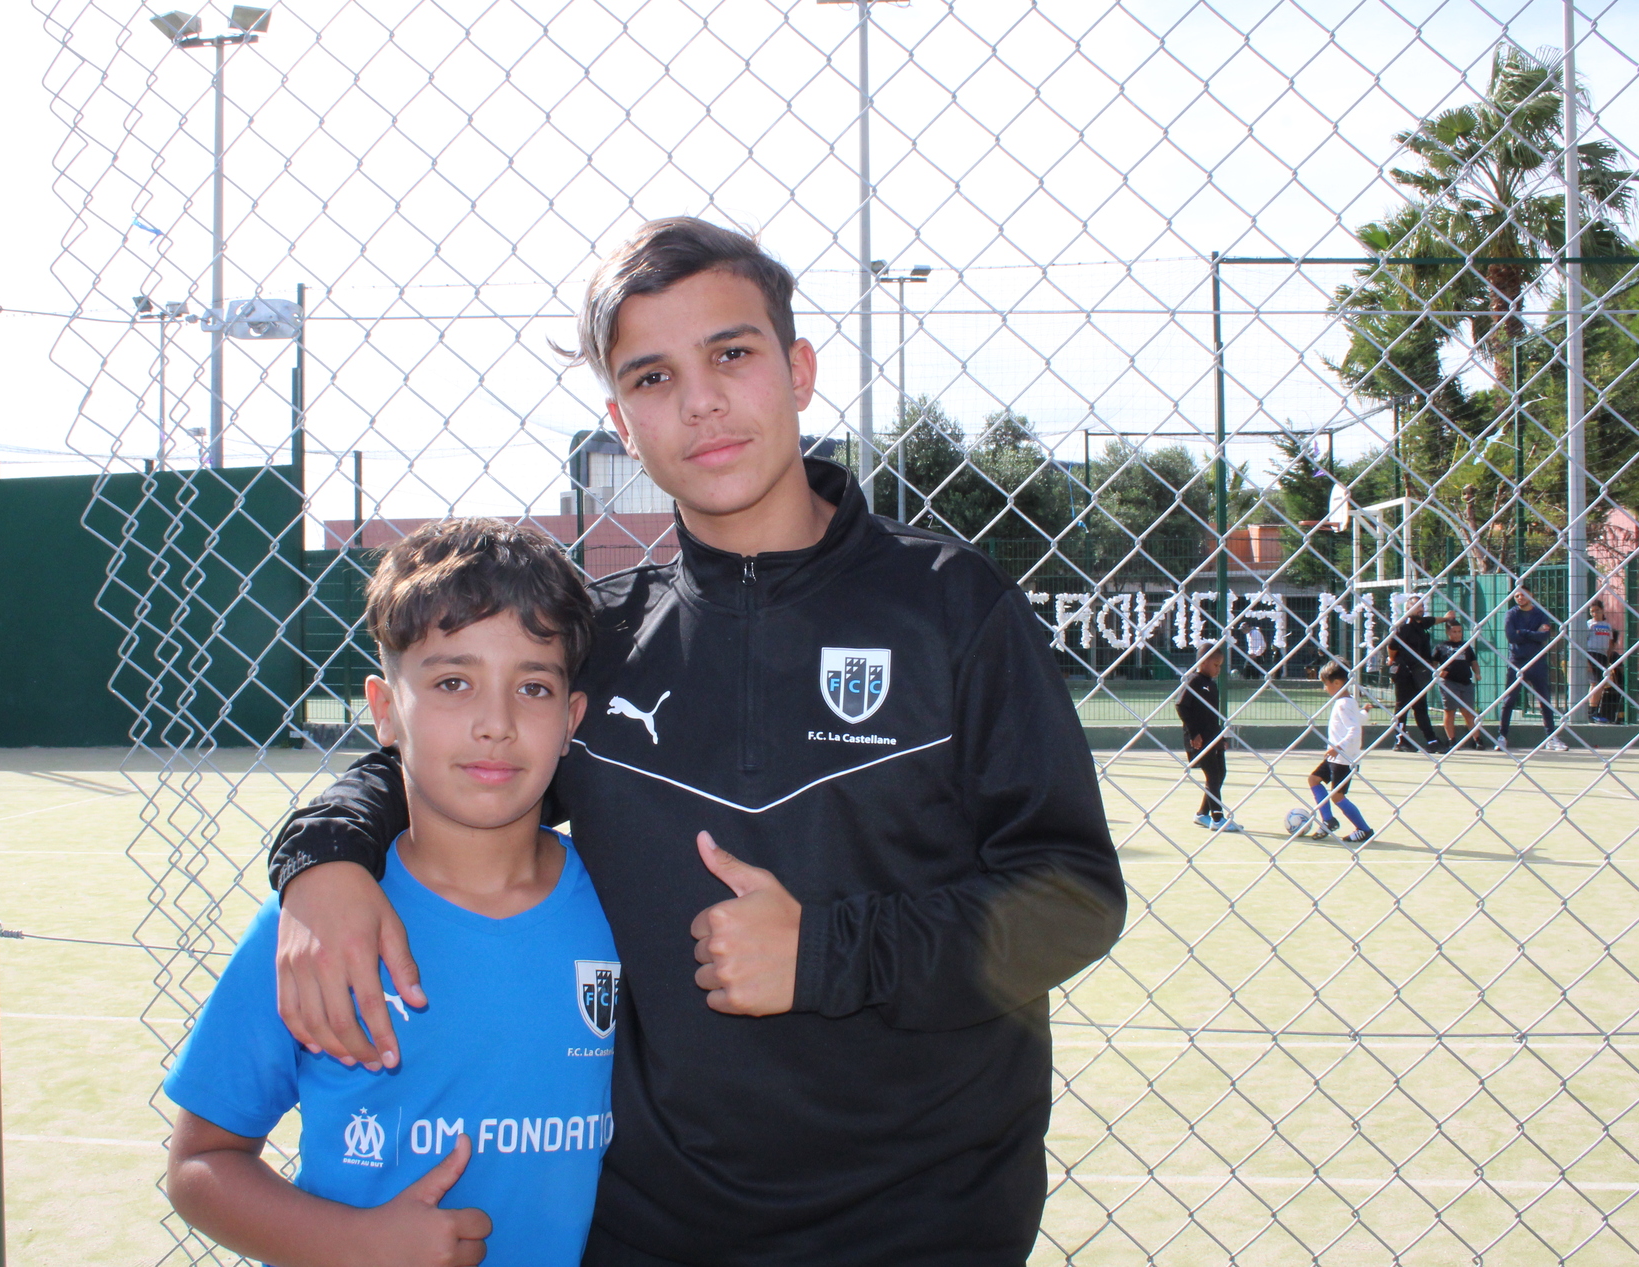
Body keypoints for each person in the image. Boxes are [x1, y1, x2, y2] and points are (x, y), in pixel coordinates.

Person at [266, 218, 1127, 1265]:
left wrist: (826, 952)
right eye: (652, 377)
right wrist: (321, 860)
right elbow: (441, 759)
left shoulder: (950, 608)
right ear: (623, 424)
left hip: (930, 1221)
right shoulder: (605, 641)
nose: (702, 401)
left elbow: (1073, 894)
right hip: (653, 1229)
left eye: (731, 354)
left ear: (798, 370)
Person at [163, 518, 613, 1267]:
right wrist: (356, 1244)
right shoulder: (313, 924)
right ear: (382, 707)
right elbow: (200, 1163)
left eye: (532, 686)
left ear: (571, 719)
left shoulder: (619, 907)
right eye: (451, 682)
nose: (495, 723)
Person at [1304, 661, 1375, 845]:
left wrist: (1337, 747)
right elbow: (1359, 720)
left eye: (1326, 684)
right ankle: (1328, 820)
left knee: (1337, 796)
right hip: (1336, 757)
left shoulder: (1343, 704)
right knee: (1313, 779)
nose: (1325, 688)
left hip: (1343, 759)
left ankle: (1364, 829)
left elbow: (1354, 730)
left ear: (1337, 683)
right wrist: (1365, 712)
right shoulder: (1348, 701)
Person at [1497, 584, 1567, 753]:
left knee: (1544, 700)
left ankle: (1551, 737)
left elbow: (1544, 635)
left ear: (1531, 594)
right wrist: (1531, 633)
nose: (1519, 598)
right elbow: (1511, 636)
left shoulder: (1541, 614)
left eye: (1522, 594)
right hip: (1517, 661)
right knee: (1509, 700)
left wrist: (1523, 633)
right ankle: (1502, 737)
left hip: (1537, 661)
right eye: (1516, 596)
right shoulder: (1511, 614)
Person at [1176, 645, 1239, 831]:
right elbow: (1181, 706)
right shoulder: (1194, 681)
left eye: (1220, 666)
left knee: (1220, 774)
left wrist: (1221, 737)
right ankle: (1217, 819)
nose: (1218, 670)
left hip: (1213, 737)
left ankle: (1202, 814)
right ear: (1203, 662)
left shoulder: (1211, 684)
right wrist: (1194, 733)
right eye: (1216, 665)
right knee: (1212, 775)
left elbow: (1212, 715)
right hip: (1201, 739)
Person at [1384, 594, 1442, 753]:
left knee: (1421, 706)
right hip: (1404, 672)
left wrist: (1446, 618)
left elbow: (1431, 620)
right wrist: (1392, 658)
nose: (1421, 610)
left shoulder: (1420, 624)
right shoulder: (1404, 626)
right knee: (1403, 706)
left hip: (1418, 673)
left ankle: (1432, 740)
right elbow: (1392, 645)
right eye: (1417, 606)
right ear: (1408, 608)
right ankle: (1400, 739)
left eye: (1422, 606)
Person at [1431, 612, 1483, 750]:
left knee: (1468, 712)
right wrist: (1438, 673)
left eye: (1459, 631)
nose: (1457, 634)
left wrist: (1477, 673)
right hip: (1448, 682)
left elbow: (1473, 662)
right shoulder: (1440, 647)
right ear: (1448, 632)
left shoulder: (1466, 646)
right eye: (1454, 632)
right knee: (1450, 711)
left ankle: (1477, 739)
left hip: (1465, 682)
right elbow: (1433, 665)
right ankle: (1451, 740)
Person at [1586, 598, 1621, 723]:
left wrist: (1608, 657)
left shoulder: (1607, 626)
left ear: (1602, 611)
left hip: (1602, 656)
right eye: (1592, 611)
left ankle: (1594, 710)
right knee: (1595, 683)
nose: (1594, 613)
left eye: (1597, 611)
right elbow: (1584, 642)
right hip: (1591, 654)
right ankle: (1591, 711)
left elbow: (1610, 643)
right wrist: (1586, 660)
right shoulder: (1589, 624)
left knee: (1600, 683)